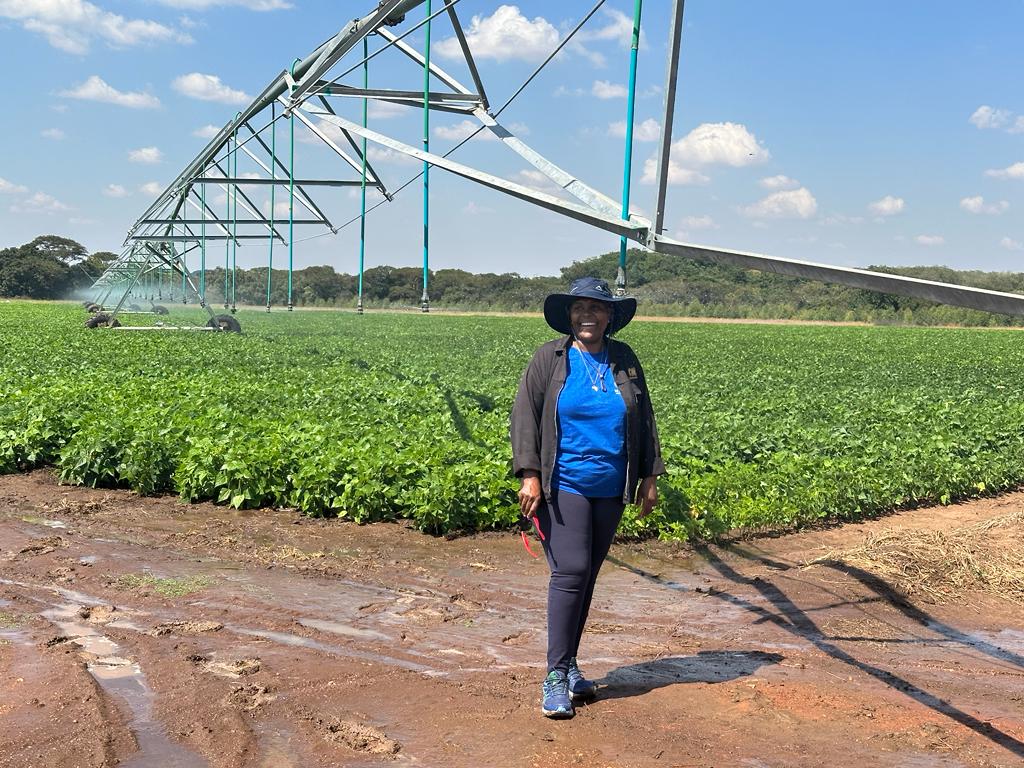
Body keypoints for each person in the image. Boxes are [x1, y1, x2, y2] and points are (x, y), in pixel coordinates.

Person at [510, 276, 665, 719]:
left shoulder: (624, 360)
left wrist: (650, 476)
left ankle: (570, 664)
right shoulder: (550, 358)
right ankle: (555, 675)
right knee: (571, 571)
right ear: (569, 316)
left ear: (609, 317)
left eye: (596, 309)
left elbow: (645, 417)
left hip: (612, 486)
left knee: (587, 577)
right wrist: (530, 475)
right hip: (565, 482)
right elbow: (524, 416)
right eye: (579, 309)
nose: (587, 316)